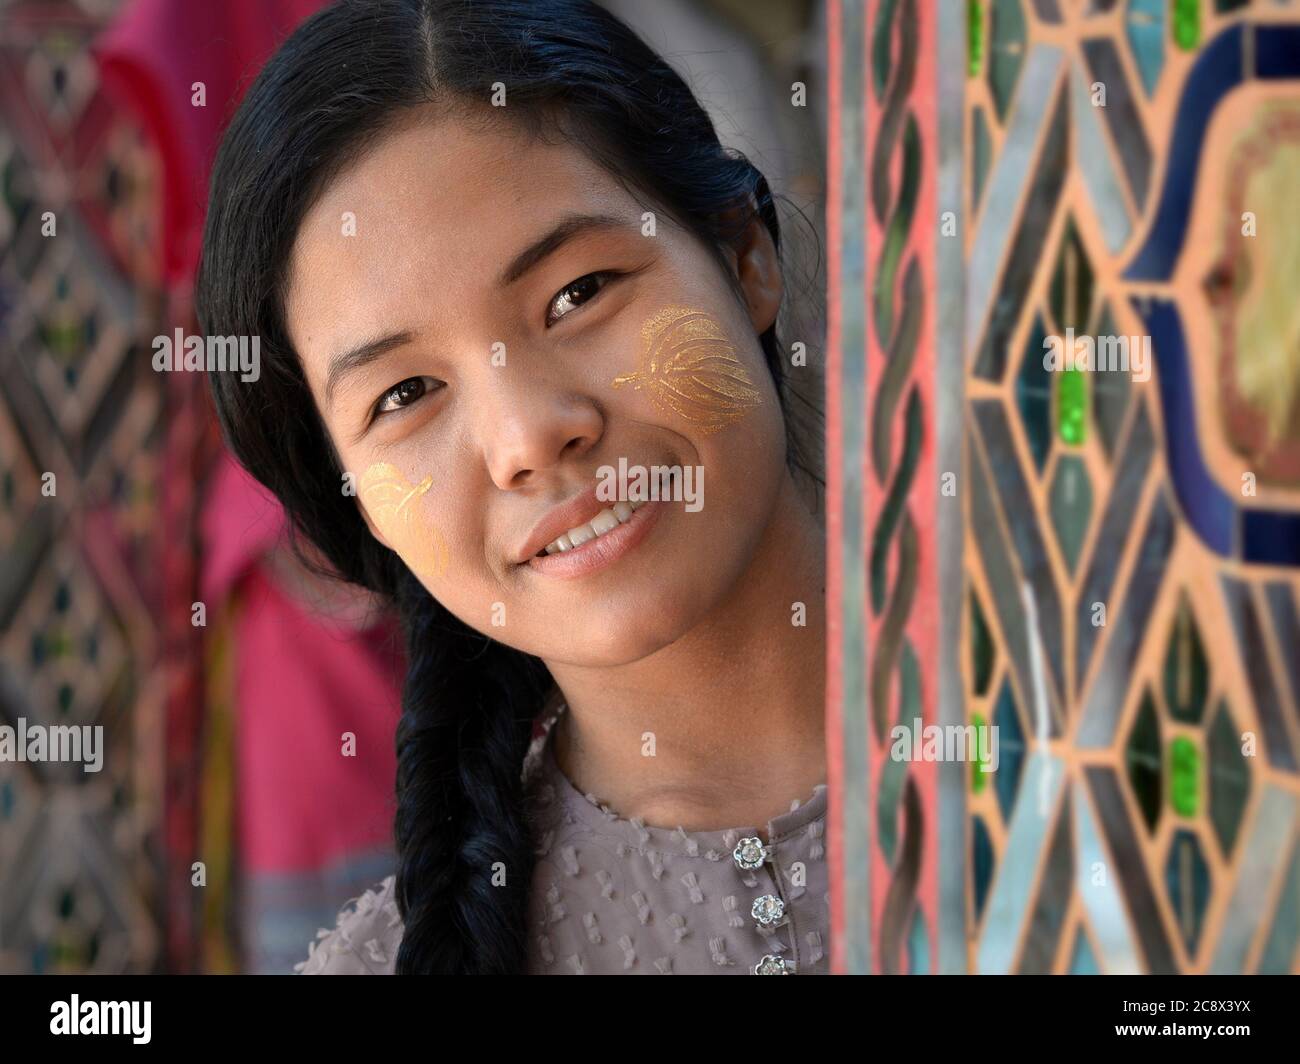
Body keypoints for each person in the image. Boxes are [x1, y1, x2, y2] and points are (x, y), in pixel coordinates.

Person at [196, 0, 827, 975]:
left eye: (579, 294)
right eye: (404, 394)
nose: (528, 434)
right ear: (355, 498)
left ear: (743, 256)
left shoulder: (1087, 698)